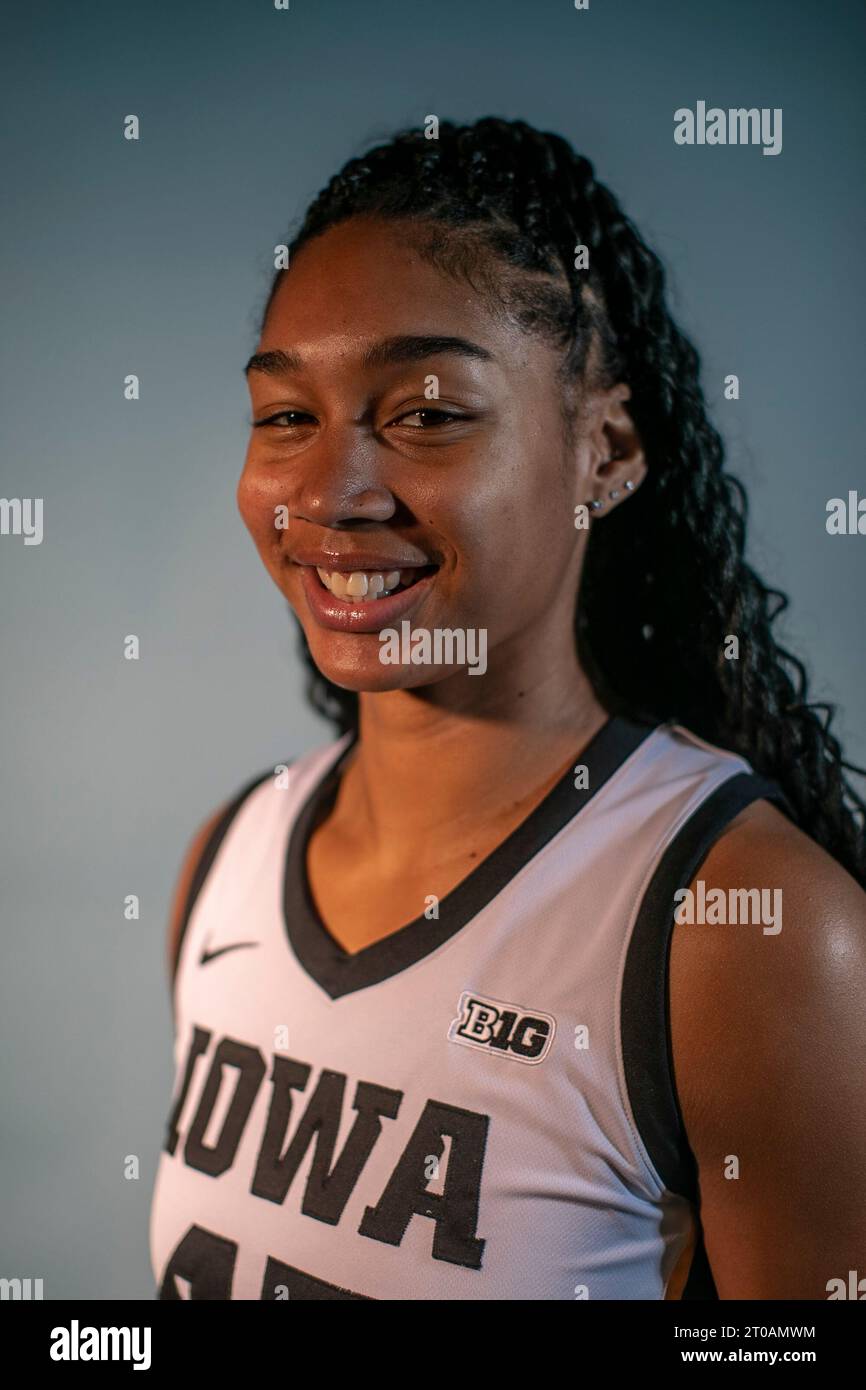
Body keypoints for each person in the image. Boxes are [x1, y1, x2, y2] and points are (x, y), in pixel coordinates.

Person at [149, 117, 866, 1300]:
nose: (328, 493)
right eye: (286, 417)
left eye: (425, 414)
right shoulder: (225, 860)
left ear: (607, 449)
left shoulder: (744, 930)